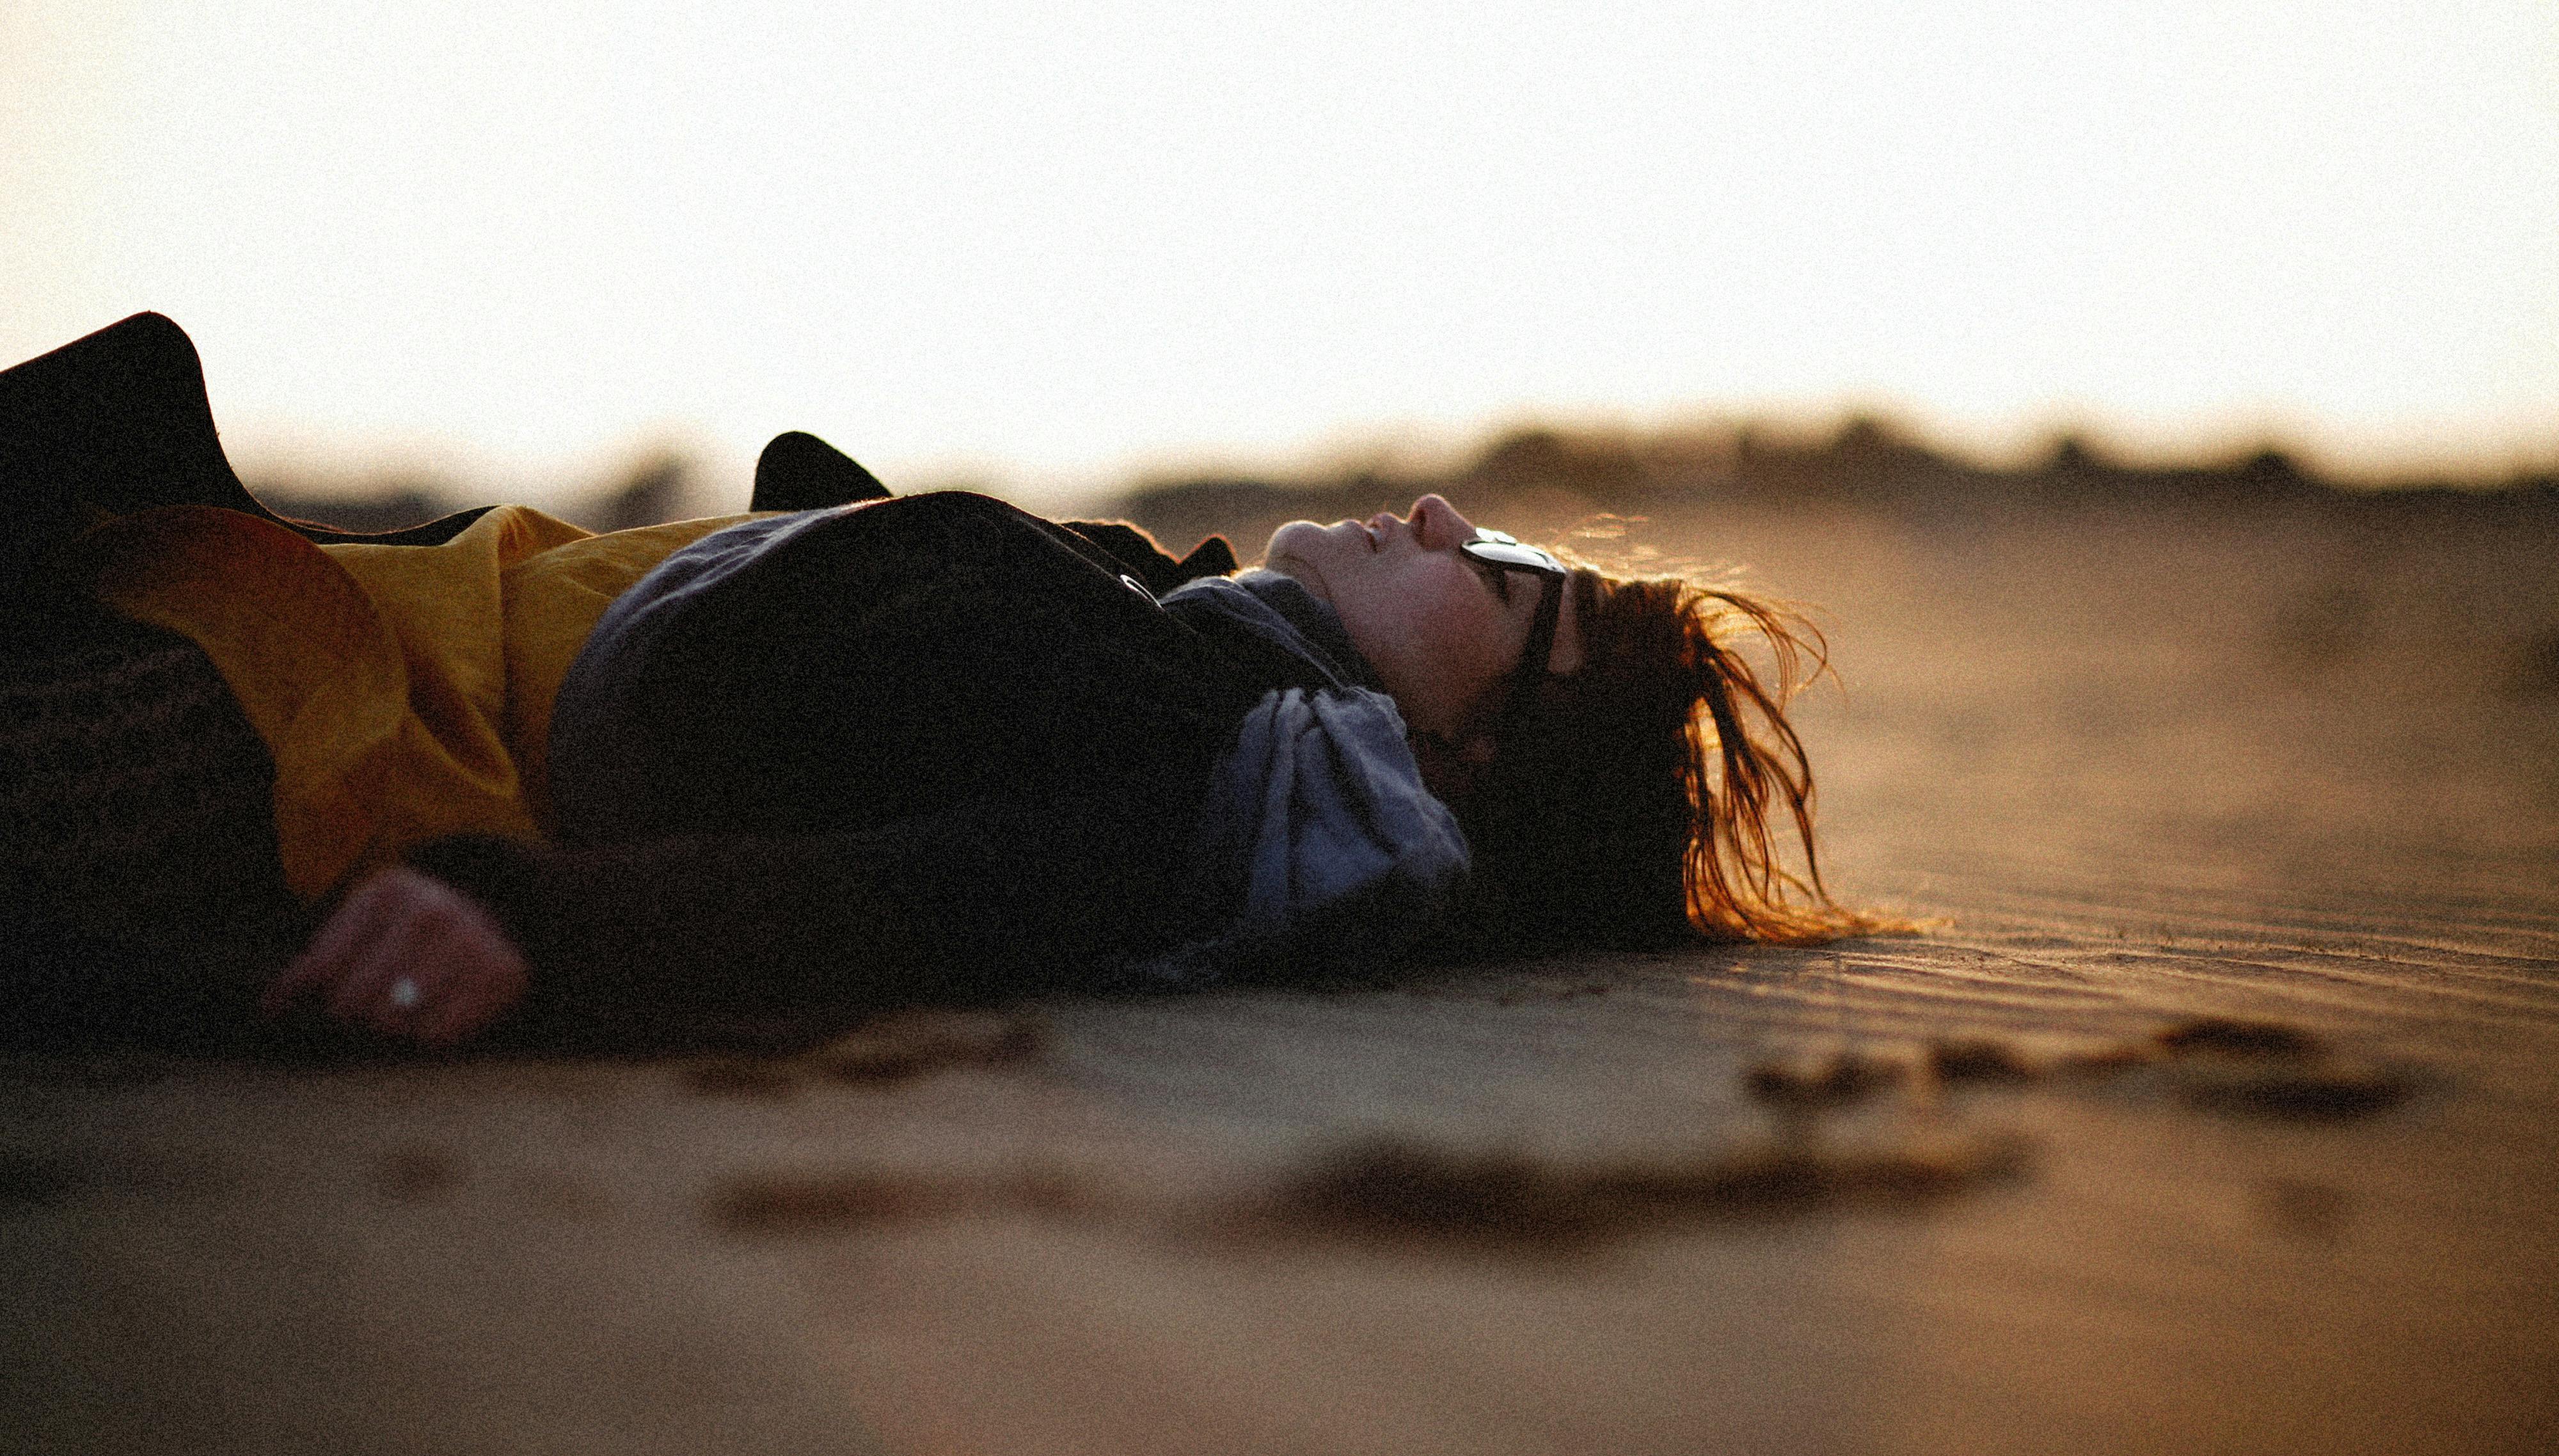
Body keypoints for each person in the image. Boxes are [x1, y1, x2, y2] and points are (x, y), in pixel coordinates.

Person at [2, 315, 1859, 1053]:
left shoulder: (1190, 775)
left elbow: (901, 899)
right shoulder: (1180, 642)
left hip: (256, 726)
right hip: (273, 608)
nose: (1452, 515)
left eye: (1520, 580)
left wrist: (529, 924)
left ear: (1467, 756)